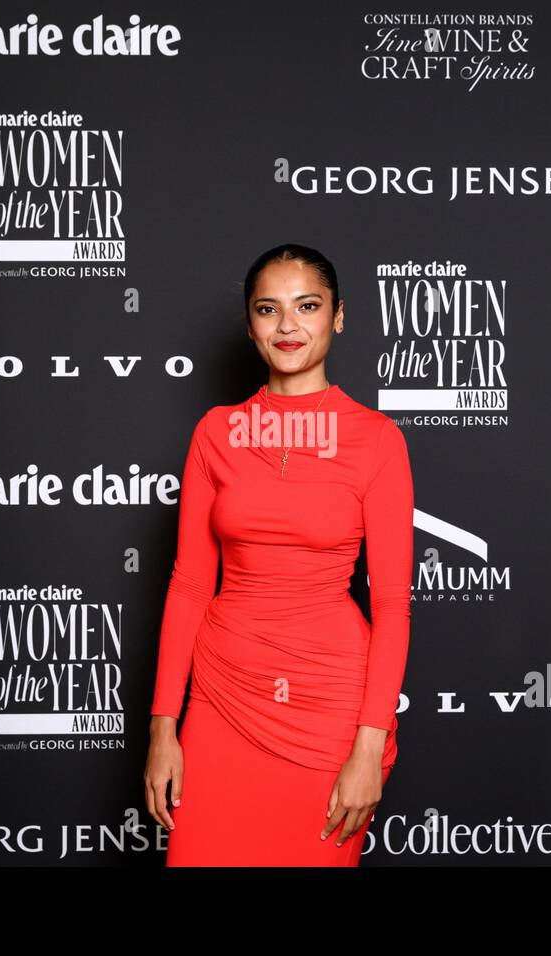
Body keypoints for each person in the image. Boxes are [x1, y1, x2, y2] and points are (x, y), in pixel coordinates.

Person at [143, 242, 414, 866]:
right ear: (249, 325)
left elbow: (393, 606)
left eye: (307, 306)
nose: (287, 325)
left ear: (338, 317)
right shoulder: (215, 432)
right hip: (220, 699)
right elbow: (188, 585)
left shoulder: (376, 440)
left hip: (328, 709)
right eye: (268, 309)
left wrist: (368, 748)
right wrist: (164, 728)